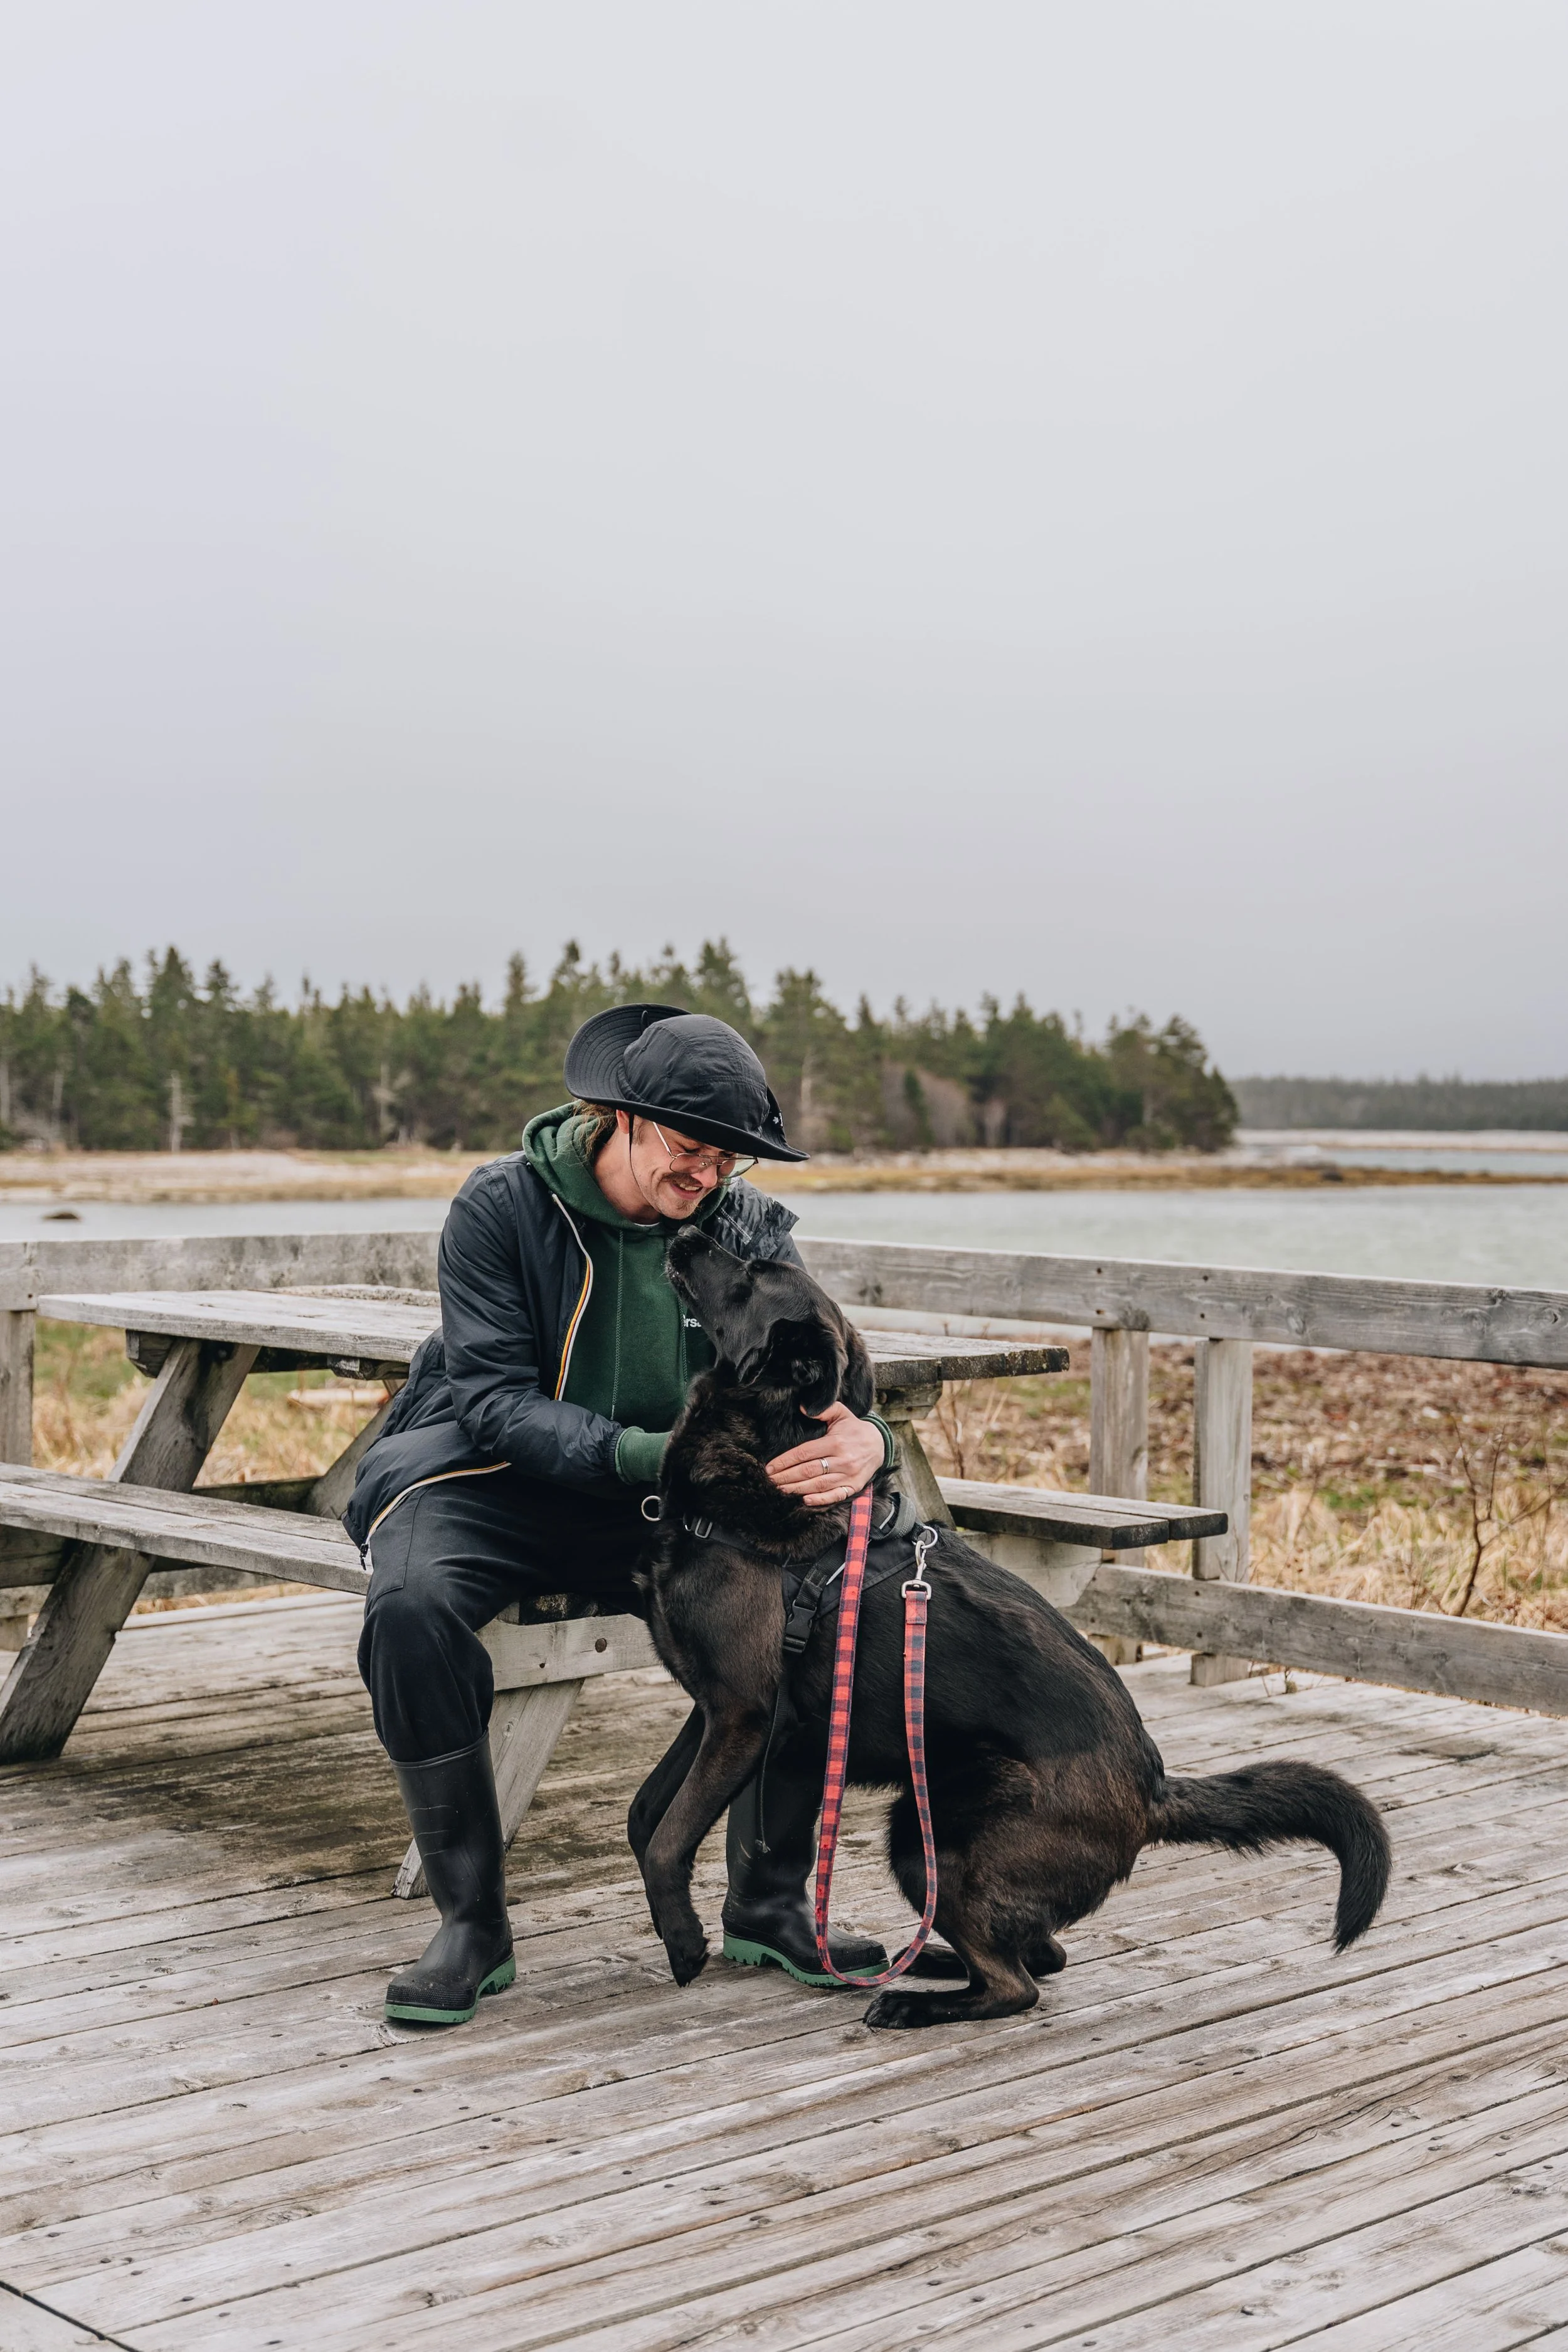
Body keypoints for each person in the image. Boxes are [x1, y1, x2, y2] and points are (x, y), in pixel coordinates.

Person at [347, 1004, 894, 2025]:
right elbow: (493, 1401)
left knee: (821, 1603)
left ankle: (770, 1905)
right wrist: (662, 1457)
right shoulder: (499, 1208)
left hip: (664, 1504)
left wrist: (873, 1436)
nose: (708, 1177)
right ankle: (473, 1923)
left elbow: (824, 1361)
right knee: (410, 1611)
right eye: (690, 1149)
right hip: (488, 1478)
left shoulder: (740, 1222)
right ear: (619, 1118)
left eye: (727, 1158)